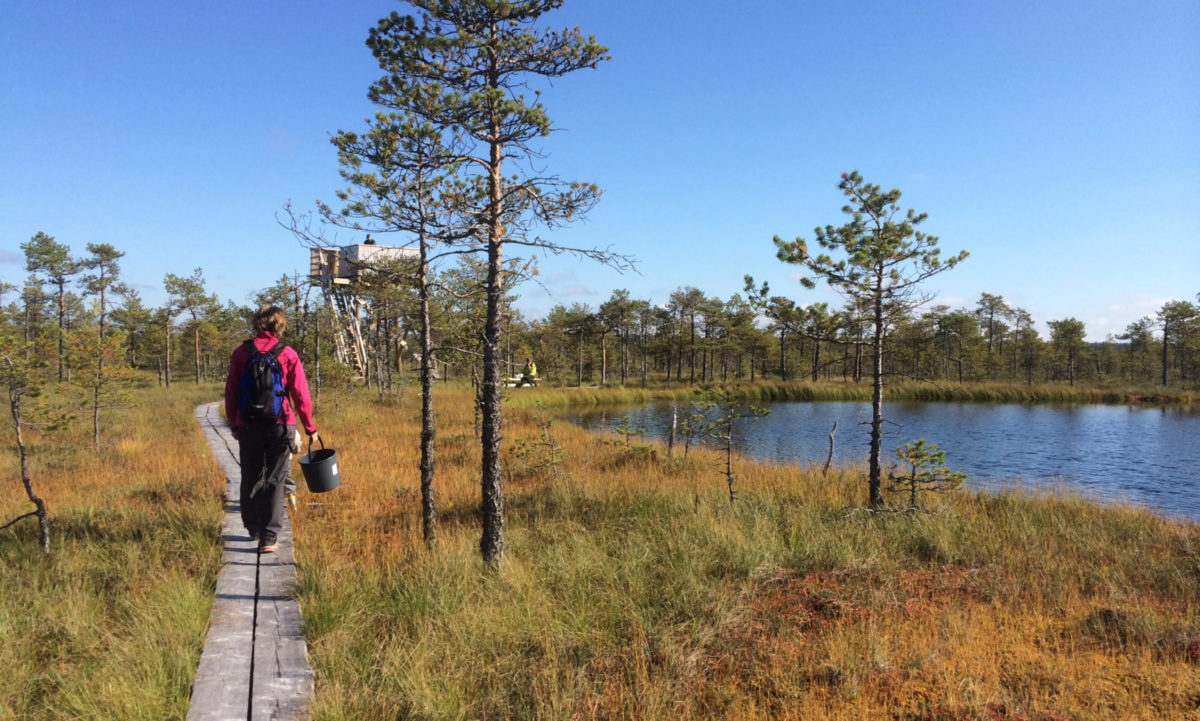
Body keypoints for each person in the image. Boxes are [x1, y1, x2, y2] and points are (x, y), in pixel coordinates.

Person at [224, 306, 318, 553]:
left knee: (250, 476)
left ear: (257, 323)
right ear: (279, 325)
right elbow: (300, 394)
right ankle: (269, 538)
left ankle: (253, 528)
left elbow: (231, 392)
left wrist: (235, 423)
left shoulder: (241, 352)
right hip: (280, 423)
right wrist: (310, 428)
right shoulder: (287, 353)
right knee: (276, 480)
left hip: (248, 424)